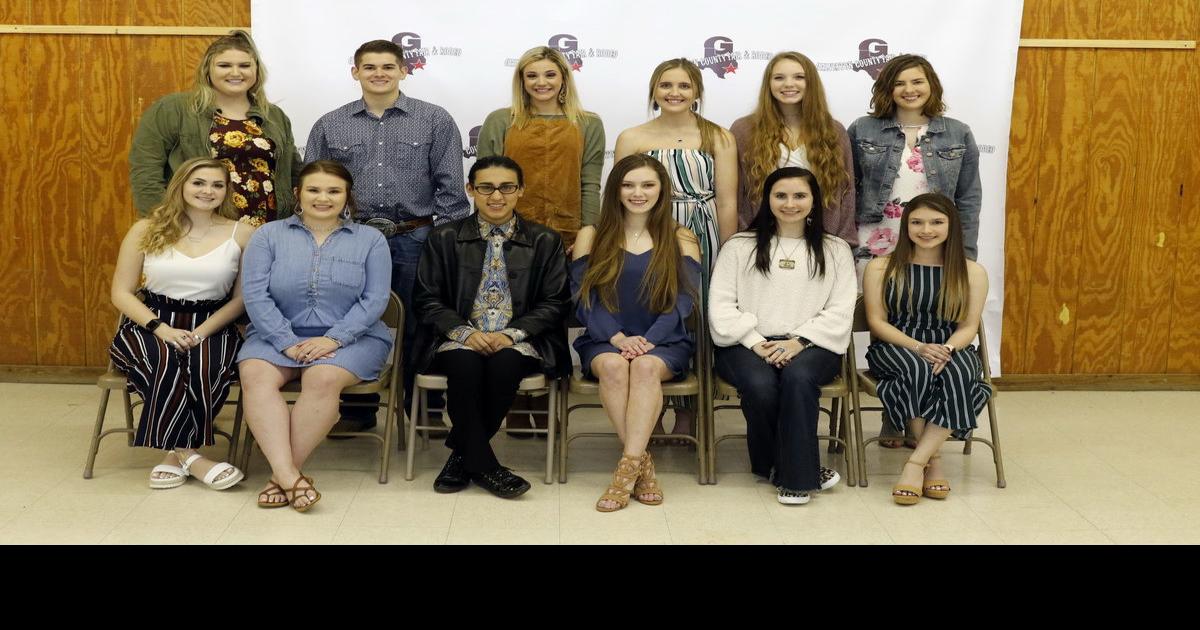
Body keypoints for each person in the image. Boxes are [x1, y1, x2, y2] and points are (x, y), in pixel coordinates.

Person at [306, 39, 471, 434]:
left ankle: (424, 409)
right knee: (349, 317)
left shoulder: (434, 120)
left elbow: (451, 189)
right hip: (351, 237)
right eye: (369, 67)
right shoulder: (330, 123)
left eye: (387, 66)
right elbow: (314, 186)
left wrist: (442, 244)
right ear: (355, 72)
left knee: (421, 322)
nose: (378, 73)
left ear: (403, 71)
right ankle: (356, 409)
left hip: (415, 236)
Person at [237, 161, 392, 511]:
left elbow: (375, 300)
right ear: (298, 194)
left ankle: (281, 476)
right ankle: (289, 476)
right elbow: (255, 296)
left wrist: (334, 339)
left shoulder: (371, 240)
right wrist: (286, 341)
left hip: (355, 338)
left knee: (322, 377)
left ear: (347, 196)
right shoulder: (267, 236)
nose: (323, 198)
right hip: (275, 334)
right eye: (314, 190)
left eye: (334, 191)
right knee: (255, 375)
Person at [412, 156, 570, 499]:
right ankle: (486, 466)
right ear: (470, 189)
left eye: (506, 187)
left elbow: (556, 302)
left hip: (520, 339)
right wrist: (466, 333)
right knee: (465, 365)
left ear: (521, 190)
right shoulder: (443, 237)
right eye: (486, 187)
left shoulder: (545, 240)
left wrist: (509, 335)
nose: (496, 196)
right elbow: (426, 300)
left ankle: (462, 457)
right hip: (457, 337)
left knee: (504, 365)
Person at [848, 53, 982, 448]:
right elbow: (848, 188)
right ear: (887, 89)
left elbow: (968, 198)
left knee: (927, 316)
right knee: (886, 317)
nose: (909, 90)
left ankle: (922, 419)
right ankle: (897, 414)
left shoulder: (957, 133)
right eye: (900, 83)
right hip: (877, 238)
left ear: (931, 86)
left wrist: (964, 255)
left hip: (933, 236)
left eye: (917, 82)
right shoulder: (863, 128)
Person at [477, 45, 605, 438]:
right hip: (509, 238)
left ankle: (548, 402)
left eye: (550, 74)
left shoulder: (588, 123)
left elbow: (590, 182)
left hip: (567, 240)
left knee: (553, 321)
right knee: (511, 317)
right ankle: (516, 403)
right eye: (532, 75)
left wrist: (587, 231)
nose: (541, 82)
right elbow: (487, 182)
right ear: (521, 80)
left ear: (564, 78)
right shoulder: (502, 120)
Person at [709, 167, 855, 505]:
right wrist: (756, 343)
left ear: (815, 200)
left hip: (812, 344)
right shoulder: (739, 246)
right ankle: (786, 468)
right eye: (781, 196)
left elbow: (841, 309)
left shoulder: (835, 249)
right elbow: (721, 305)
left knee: (798, 378)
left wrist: (798, 342)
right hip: (746, 343)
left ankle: (794, 480)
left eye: (800, 195)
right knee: (760, 385)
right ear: (767, 199)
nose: (790, 204)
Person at [109, 157, 254, 490]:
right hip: (151, 322)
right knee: (163, 362)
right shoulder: (146, 229)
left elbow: (241, 299)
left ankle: (173, 457)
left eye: (217, 185)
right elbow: (121, 292)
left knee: (205, 366)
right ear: (181, 185)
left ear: (227, 191)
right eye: (198, 183)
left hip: (213, 323)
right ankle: (191, 456)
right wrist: (161, 329)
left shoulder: (243, 233)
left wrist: (200, 333)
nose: (207, 191)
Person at [614, 57, 737, 444]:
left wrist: (728, 254)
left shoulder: (719, 136)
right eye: (666, 85)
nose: (675, 92)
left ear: (697, 91)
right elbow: (621, 197)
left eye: (684, 85)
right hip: (646, 233)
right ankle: (646, 413)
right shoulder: (632, 137)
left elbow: (727, 201)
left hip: (701, 233)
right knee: (649, 311)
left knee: (693, 318)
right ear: (653, 91)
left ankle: (688, 414)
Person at [571, 154, 702, 512]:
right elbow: (582, 297)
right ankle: (641, 468)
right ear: (615, 189)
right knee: (615, 366)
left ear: (662, 190)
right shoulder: (591, 235)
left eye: (647, 185)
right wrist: (617, 338)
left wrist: (649, 341)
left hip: (664, 340)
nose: (637, 193)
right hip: (604, 338)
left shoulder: (681, 237)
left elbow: (683, 301)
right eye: (628, 185)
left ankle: (625, 472)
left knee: (644, 367)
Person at [861, 192, 990, 505]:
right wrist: (919, 347)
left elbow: (968, 326)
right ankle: (935, 462)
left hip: (950, 345)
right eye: (917, 222)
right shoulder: (881, 267)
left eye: (936, 222)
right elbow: (877, 323)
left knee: (961, 373)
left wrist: (946, 349)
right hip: (896, 345)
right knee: (917, 368)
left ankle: (917, 463)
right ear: (906, 225)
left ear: (951, 226)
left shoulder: (972, 272)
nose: (926, 229)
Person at [130, 30, 302, 223]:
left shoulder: (274, 116)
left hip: (268, 230)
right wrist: (167, 222)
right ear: (207, 69)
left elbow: (295, 175)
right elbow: (146, 174)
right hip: (197, 229)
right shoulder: (174, 109)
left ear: (257, 70)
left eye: (244, 65)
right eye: (224, 65)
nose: (235, 73)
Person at [729, 51, 856, 244]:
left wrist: (843, 242)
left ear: (811, 83)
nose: (788, 84)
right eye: (779, 78)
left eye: (799, 77)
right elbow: (736, 193)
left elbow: (846, 192)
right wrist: (743, 238)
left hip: (821, 240)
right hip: (760, 239)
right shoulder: (744, 130)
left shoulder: (833, 131)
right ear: (768, 84)